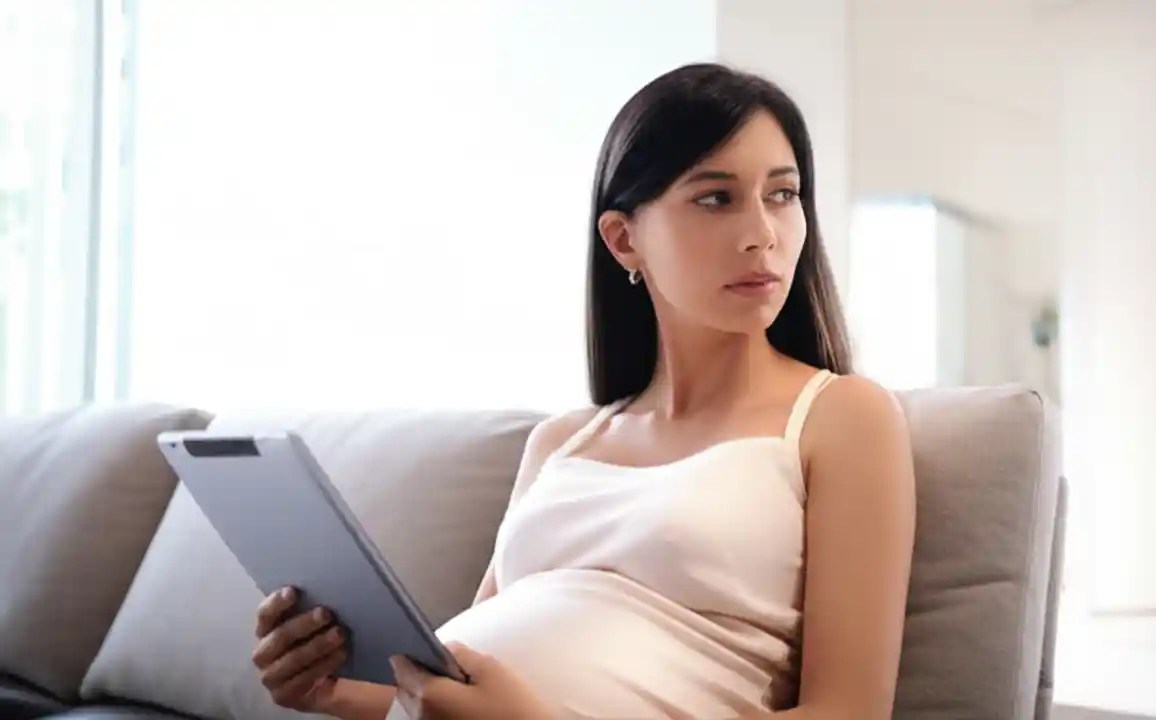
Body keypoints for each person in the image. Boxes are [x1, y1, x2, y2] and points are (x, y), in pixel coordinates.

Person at [250, 62, 916, 720]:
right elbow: (454, 681)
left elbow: (850, 712)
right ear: (624, 240)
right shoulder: (562, 442)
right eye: (717, 198)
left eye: (783, 194)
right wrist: (332, 691)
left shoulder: (841, 417)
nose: (763, 234)